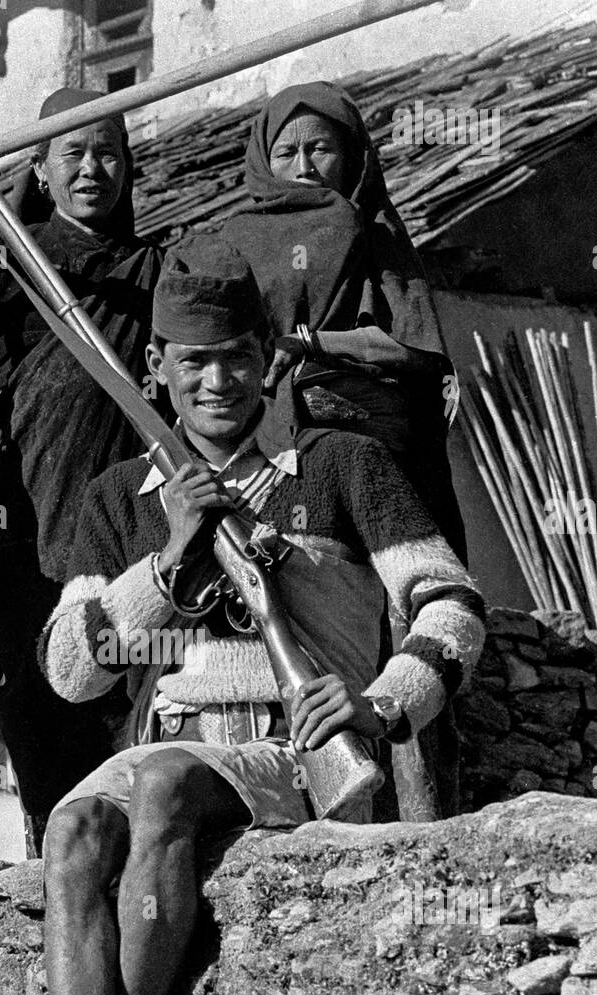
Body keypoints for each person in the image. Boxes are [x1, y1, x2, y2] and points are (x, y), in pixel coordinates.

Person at [13, 237, 485, 995]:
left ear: (268, 358)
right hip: (165, 751)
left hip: (285, 749)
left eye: (235, 356)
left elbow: (450, 610)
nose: (217, 380)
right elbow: (70, 668)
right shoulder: (117, 499)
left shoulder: (341, 466)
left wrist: (380, 707)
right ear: (158, 375)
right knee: (79, 830)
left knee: (166, 790)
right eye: (194, 362)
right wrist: (171, 556)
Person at [0, 87, 163, 853]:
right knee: (30, 669)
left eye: (109, 153)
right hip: (24, 497)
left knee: (123, 661)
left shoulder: (152, 264)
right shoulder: (10, 255)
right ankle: (51, 842)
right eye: (75, 154)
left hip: (120, 497)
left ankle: (126, 832)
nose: (94, 169)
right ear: (43, 170)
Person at [222, 82, 468, 818]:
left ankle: (425, 828)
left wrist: (311, 343)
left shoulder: (376, 236)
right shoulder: (236, 241)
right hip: (282, 468)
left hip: (383, 456)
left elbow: (414, 348)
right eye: (287, 150)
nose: (303, 164)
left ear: (352, 154)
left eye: (320, 147)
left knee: (407, 625)